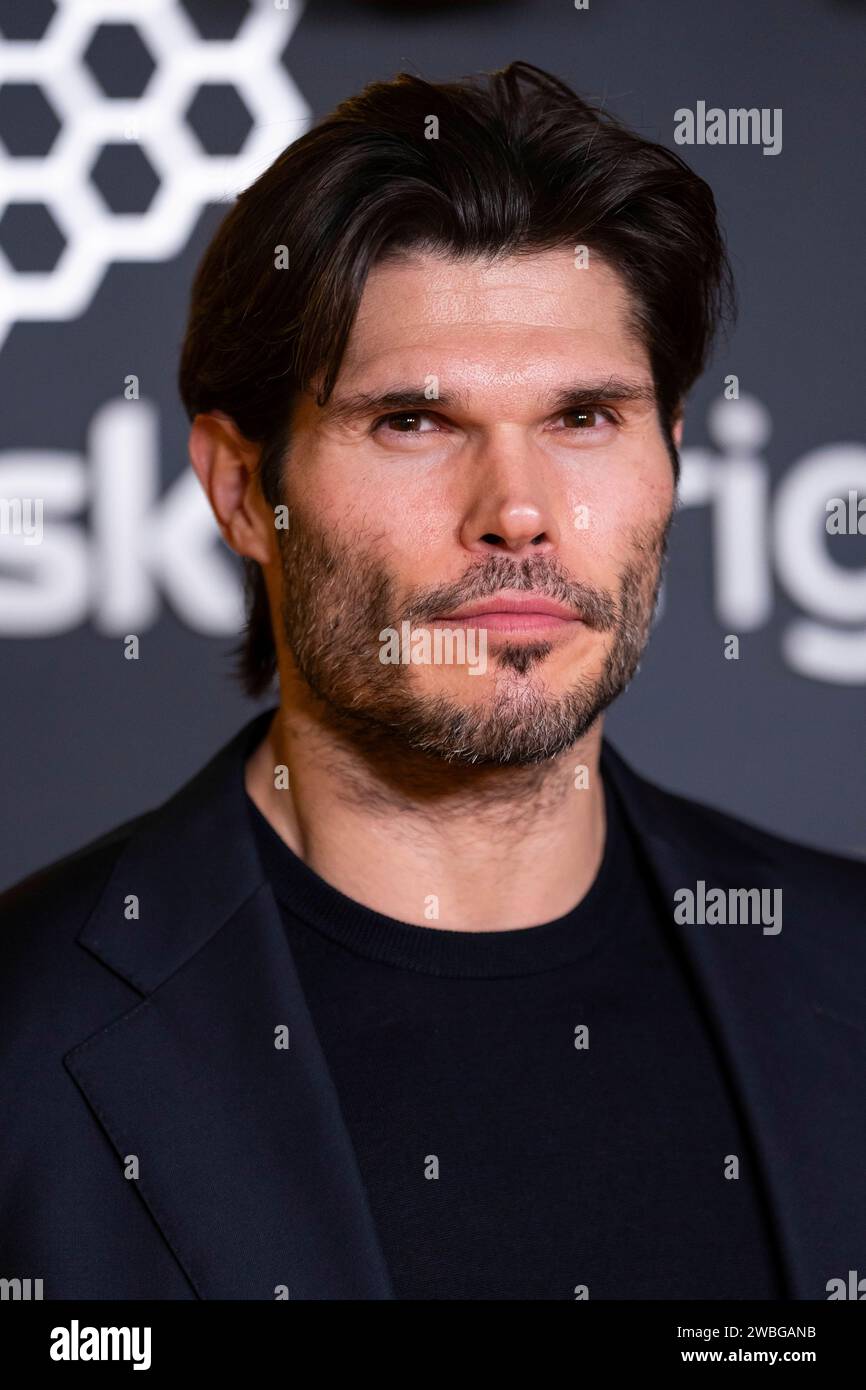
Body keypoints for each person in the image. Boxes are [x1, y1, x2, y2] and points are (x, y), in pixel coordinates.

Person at [1, 62, 863, 1303]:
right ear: (245, 490)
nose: (515, 511)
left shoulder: (842, 969)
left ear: (670, 456)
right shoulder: (23, 1041)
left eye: (583, 417)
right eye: (413, 420)